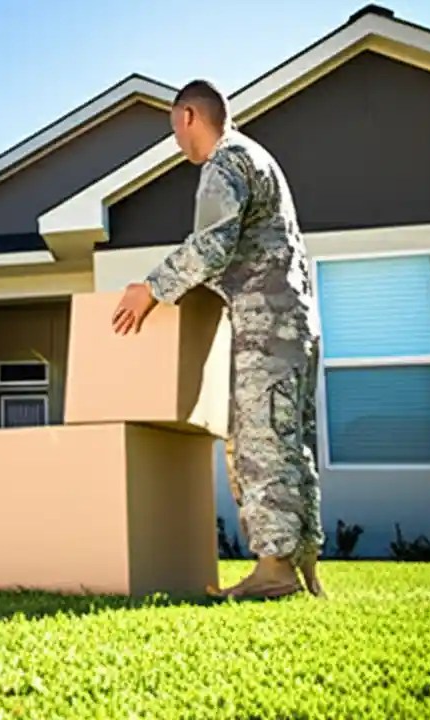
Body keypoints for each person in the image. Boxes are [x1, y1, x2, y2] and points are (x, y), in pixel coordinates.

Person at [110, 80, 325, 600]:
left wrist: (150, 290)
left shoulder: (225, 162)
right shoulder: (259, 158)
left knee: (259, 440)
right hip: (295, 324)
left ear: (189, 116)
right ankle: (304, 565)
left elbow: (212, 245)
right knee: (292, 441)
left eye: (175, 129)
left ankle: (274, 570)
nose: (177, 141)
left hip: (267, 328)